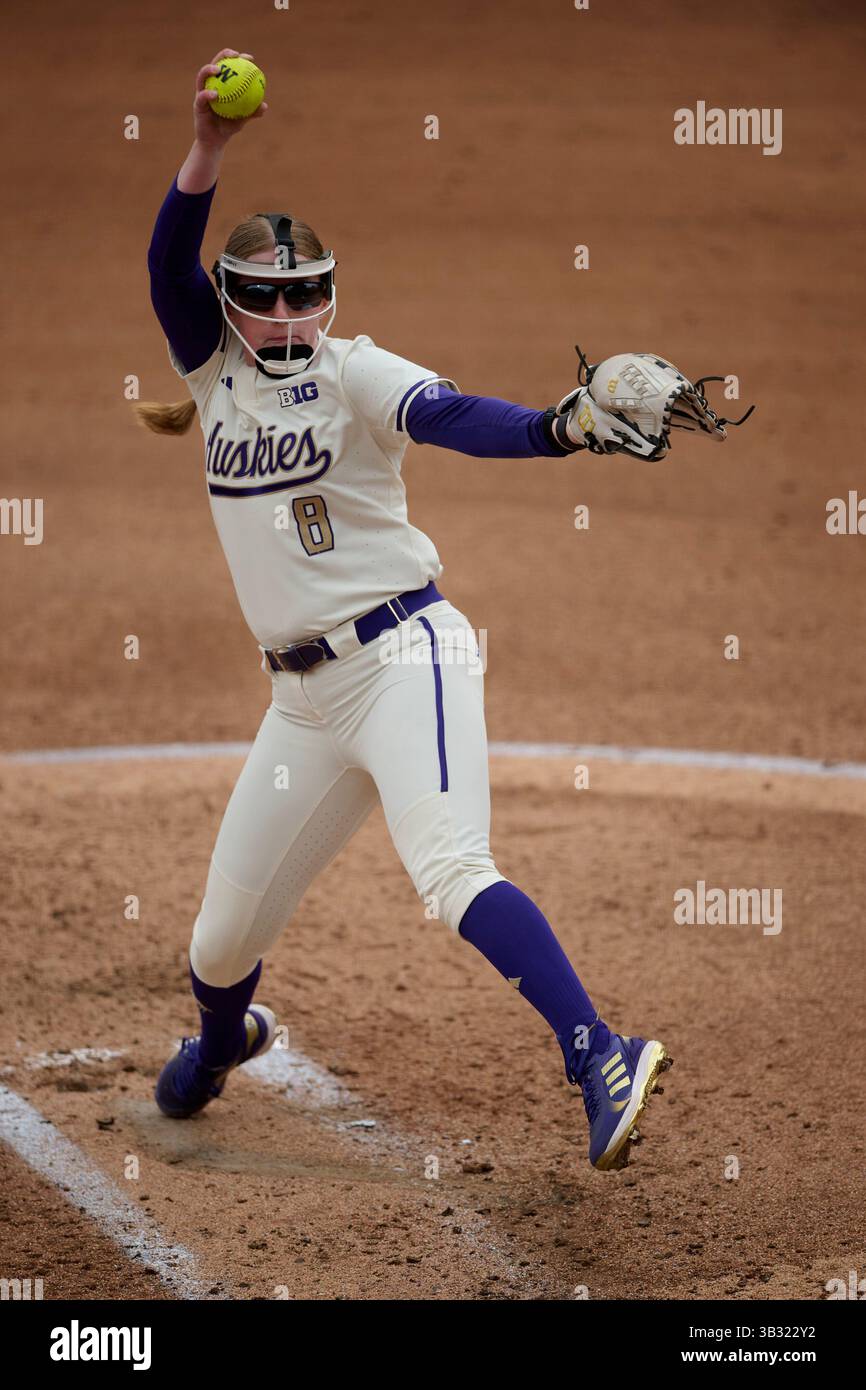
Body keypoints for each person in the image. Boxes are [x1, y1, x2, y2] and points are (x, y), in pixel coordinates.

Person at [136, 47, 673, 1172]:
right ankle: (222, 1040)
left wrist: (556, 424)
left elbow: (453, 413)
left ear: (330, 293)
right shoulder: (210, 373)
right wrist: (208, 149)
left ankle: (600, 1052)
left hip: (403, 659)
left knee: (447, 867)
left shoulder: (355, 370)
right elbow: (162, 266)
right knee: (220, 938)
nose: (288, 312)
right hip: (298, 705)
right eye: (266, 296)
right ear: (233, 305)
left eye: (306, 291)